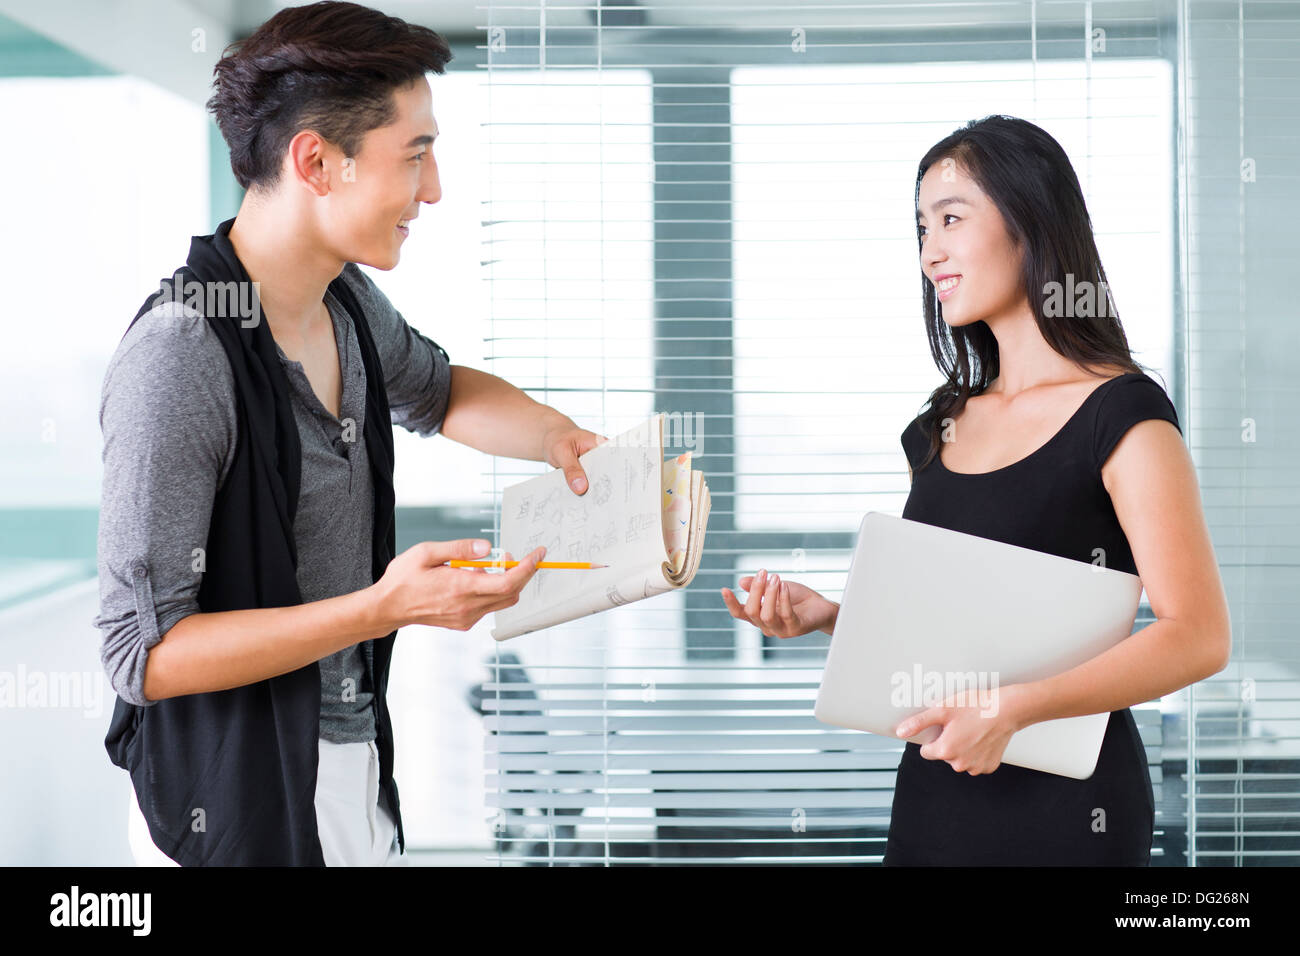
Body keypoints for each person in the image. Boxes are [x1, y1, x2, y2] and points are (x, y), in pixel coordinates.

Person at [94, 1, 604, 866]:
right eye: (416, 155)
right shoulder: (181, 355)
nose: (433, 191)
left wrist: (558, 437)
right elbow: (142, 655)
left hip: (353, 756)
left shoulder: (344, 300)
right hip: (236, 797)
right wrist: (382, 607)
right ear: (317, 161)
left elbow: (439, 393)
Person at [720, 115, 1231, 866]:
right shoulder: (941, 426)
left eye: (952, 219)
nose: (931, 252)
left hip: (1070, 810)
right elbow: (962, 627)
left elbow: (1198, 635)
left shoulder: (1122, 414)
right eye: (921, 228)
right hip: (938, 793)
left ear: (1029, 222)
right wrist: (834, 617)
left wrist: (1016, 709)